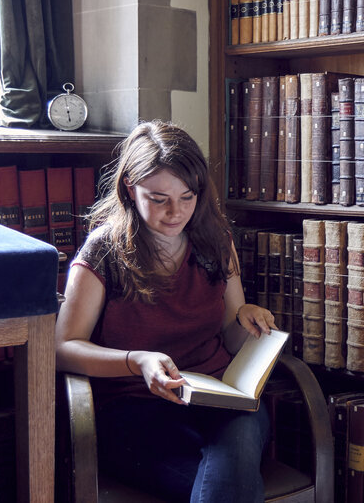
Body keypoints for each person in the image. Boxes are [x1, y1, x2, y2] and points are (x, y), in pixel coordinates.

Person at [55, 120, 278, 502]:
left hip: (218, 397)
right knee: (229, 488)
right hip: (135, 407)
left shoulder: (215, 240)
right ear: (131, 188)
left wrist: (247, 319)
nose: (176, 212)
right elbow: (63, 348)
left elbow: (229, 328)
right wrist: (137, 361)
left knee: (237, 446)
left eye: (187, 197)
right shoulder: (104, 251)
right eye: (159, 199)